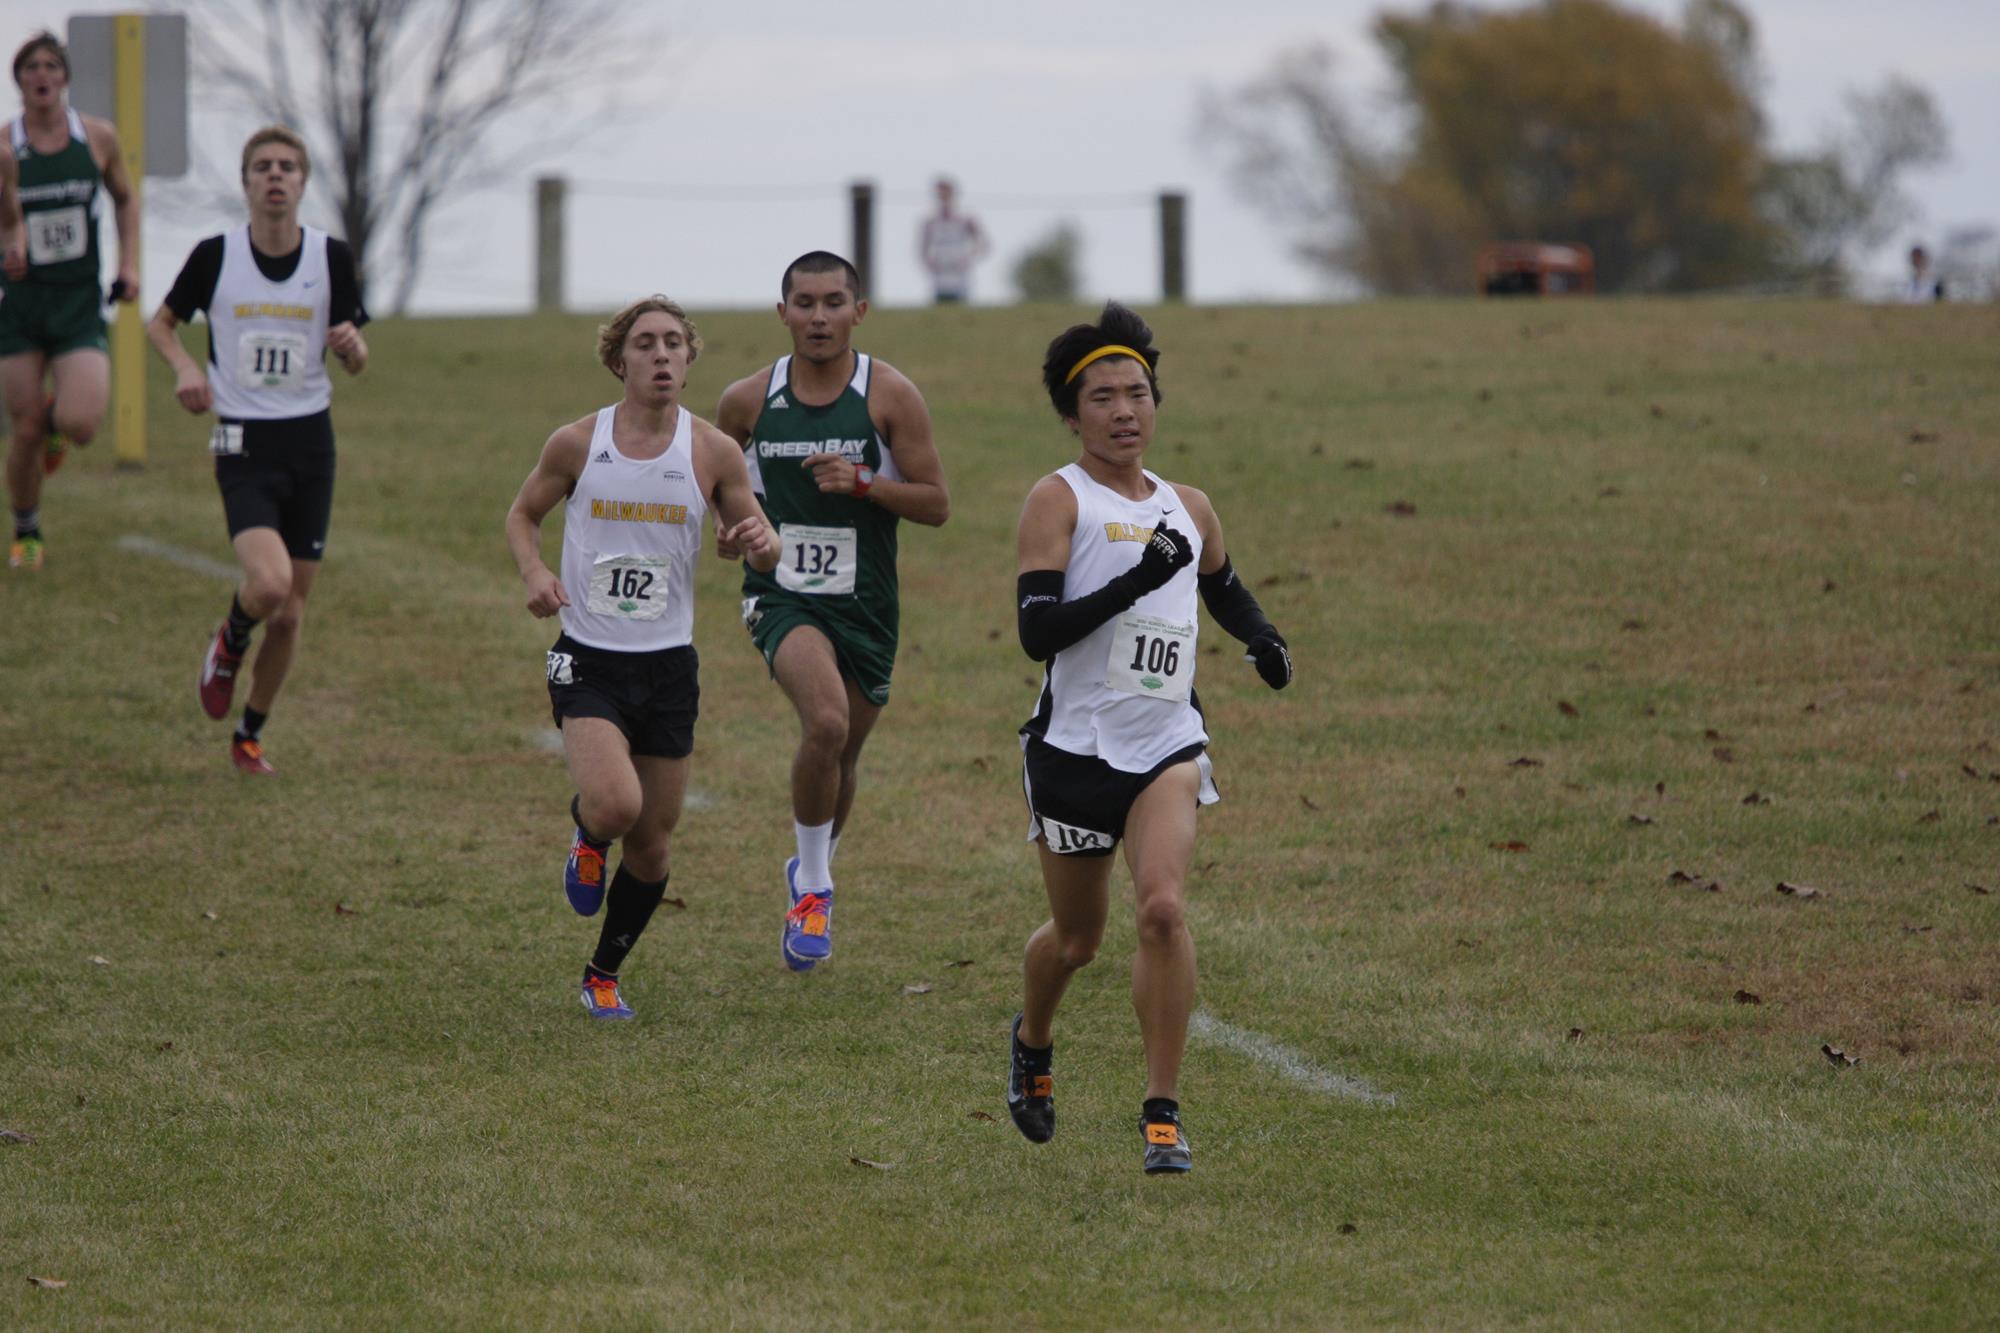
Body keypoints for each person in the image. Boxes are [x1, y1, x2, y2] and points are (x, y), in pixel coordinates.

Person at [1004, 301, 1294, 1174]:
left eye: (1137, 393)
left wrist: (1265, 637)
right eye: (1102, 397)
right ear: (1071, 412)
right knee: (1078, 939)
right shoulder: (1058, 499)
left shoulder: (1189, 504)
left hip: (1167, 741)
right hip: (1072, 751)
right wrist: (1139, 577)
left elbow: (1224, 587)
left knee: (1163, 909)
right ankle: (1033, 1037)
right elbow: (1038, 633)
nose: (1124, 410)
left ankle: (1161, 1112)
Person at [506, 295, 778, 1020]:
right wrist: (535, 572)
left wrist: (752, 541)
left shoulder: (712, 450)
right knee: (618, 804)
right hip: (589, 657)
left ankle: (602, 973)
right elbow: (523, 514)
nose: (660, 355)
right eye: (645, 343)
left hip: (668, 669)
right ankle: (588, 828)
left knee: (654, 847)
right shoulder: (577, 442)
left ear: (689, 361)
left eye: (673, 344)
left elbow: (757, 530)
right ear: (618, 360)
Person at [715, 251, 949, 972]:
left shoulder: (891, 396)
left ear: (859, 311)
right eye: (805, 303)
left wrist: (865, 482)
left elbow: (936, 503)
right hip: (782, 595)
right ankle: (815, 887)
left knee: (842, 753)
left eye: (833, 302)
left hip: (867, 601)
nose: (819, 317)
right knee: (825, 721)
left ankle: (808, 867)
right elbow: (720, 495)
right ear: (782, 311)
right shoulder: (746, 402)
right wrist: (734, 533)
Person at [146, 126, 369, 775]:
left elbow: (355, 351)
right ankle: (228, 639)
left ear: (302, 183)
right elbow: (161, 324)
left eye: (288, 167)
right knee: (268, 585)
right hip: (241, 438)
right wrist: (187, 369)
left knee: (293, 614)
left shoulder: (331, 258)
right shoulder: (215, 255)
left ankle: (249, 732)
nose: (275, 176)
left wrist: (355, 350)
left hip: (311, 442)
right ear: (246, 182)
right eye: (263, 167)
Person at [1, 31, 138, 570]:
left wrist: (129, 265)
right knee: (24, 427)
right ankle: (26, 528)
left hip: (79, 302)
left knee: (80, 424)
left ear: (65, 77)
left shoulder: (98, 139)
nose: (41, 75)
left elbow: (125, 201)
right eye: (30, 67)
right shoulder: (6, 147)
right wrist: (8, 251)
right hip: (19, 307)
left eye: (50, 66)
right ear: (19, 81)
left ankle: (59, 424)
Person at [917, 177, 987, 305]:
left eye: (945, 192)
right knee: (940, 302)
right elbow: (923, 245)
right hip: (940, 268)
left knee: (959, 301)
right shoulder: (930, 220)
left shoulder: (964, 217)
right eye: (940, 192)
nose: (942, 195)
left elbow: (981, 241)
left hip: (958, 267)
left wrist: (969, 258)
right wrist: (928, 262)